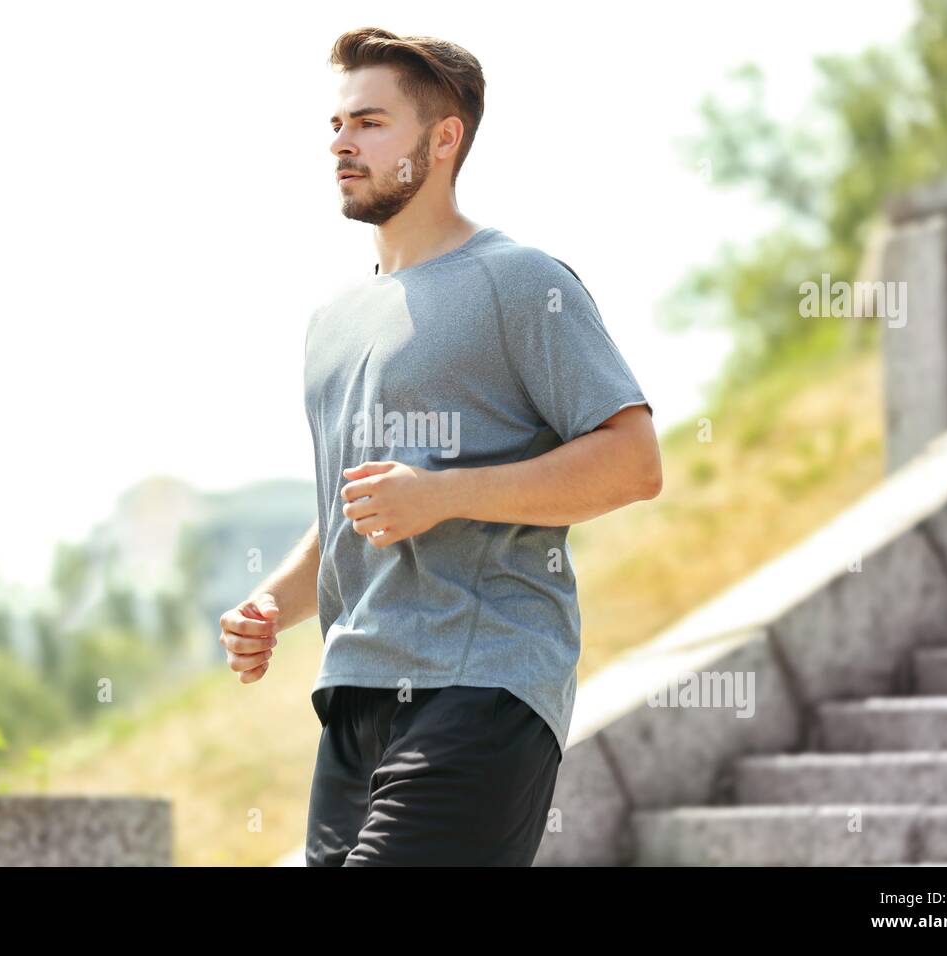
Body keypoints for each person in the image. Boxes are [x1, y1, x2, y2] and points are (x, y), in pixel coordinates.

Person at [218, 26, 663, 866]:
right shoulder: (330, 323)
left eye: (372, 122)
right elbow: (355, 507)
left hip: (483, 685)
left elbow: (633, 462)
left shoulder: (522, 281)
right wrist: (272, 604)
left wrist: (446, 493)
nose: (342, 142)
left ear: (444, 138)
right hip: (353, 695)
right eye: (337, 124)